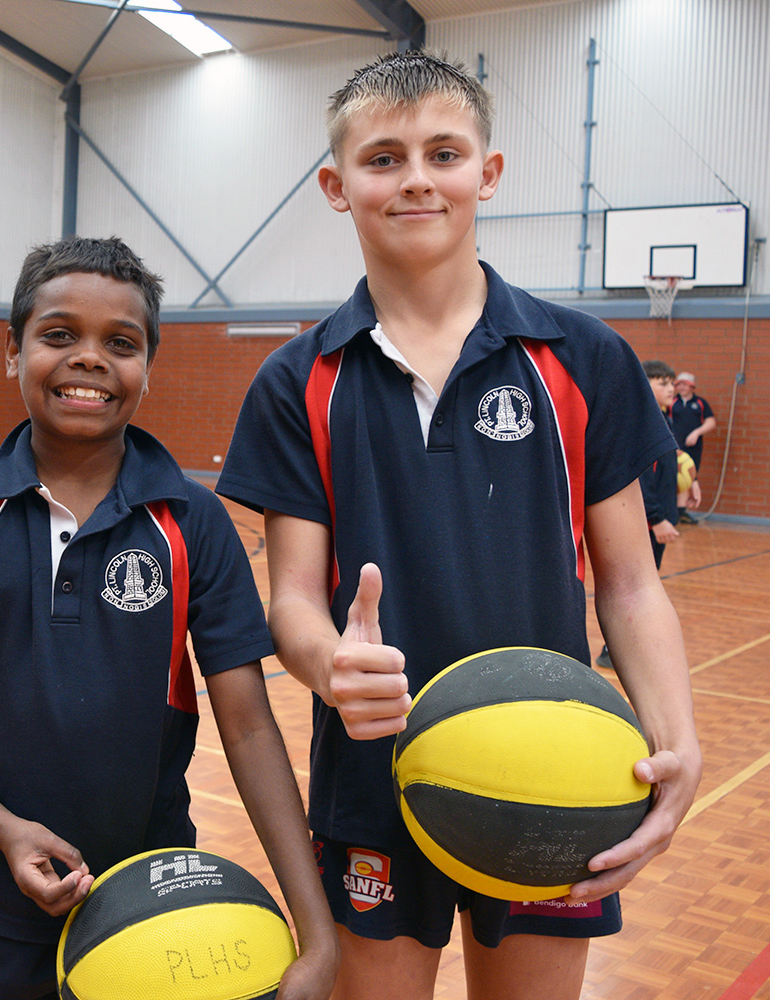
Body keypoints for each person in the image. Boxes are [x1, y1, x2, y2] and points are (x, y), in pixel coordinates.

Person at [215, 51, 701, 1000]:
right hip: (371, 784)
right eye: (383, 158)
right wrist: (327, 666)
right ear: (335, 185)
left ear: (488, 172)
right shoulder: (295, 381)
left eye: (444, 153)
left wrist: (676, 739)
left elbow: (631, 580)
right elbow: (295, 599)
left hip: (555, 769)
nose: (415, 179)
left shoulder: (582, 358)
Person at [0, 236, 338, 1000]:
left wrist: (315, 935)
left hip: (156, 907)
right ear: (13, 354)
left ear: (148, 366)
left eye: (119, 343)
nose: (89, 359)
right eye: (59, 335)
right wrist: (3, 828)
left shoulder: (193, 520)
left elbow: (250, 728)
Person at [596, 359, 686, 670]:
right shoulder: (637, 423)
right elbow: (639, 480)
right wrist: (657, 517)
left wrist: (692, 481)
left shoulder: (663, 419)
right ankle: (613, 649)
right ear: (644, 386)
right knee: (633, 588)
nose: (671, 388)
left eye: (672, 383)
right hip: (644, 523)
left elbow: (669, 464)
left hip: (658, 517)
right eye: (663, 383)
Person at [669, 371, 715, 523]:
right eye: (679, 385)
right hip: (674, 448)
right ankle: (672, 511)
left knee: (688, 477)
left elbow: (711, 422)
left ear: (692, 386)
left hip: (693, 448)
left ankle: (681, 511)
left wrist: (696, 432)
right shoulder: (672, 402)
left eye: (685, 385)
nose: (681, 388)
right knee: (673, 477)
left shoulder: (700, 403)